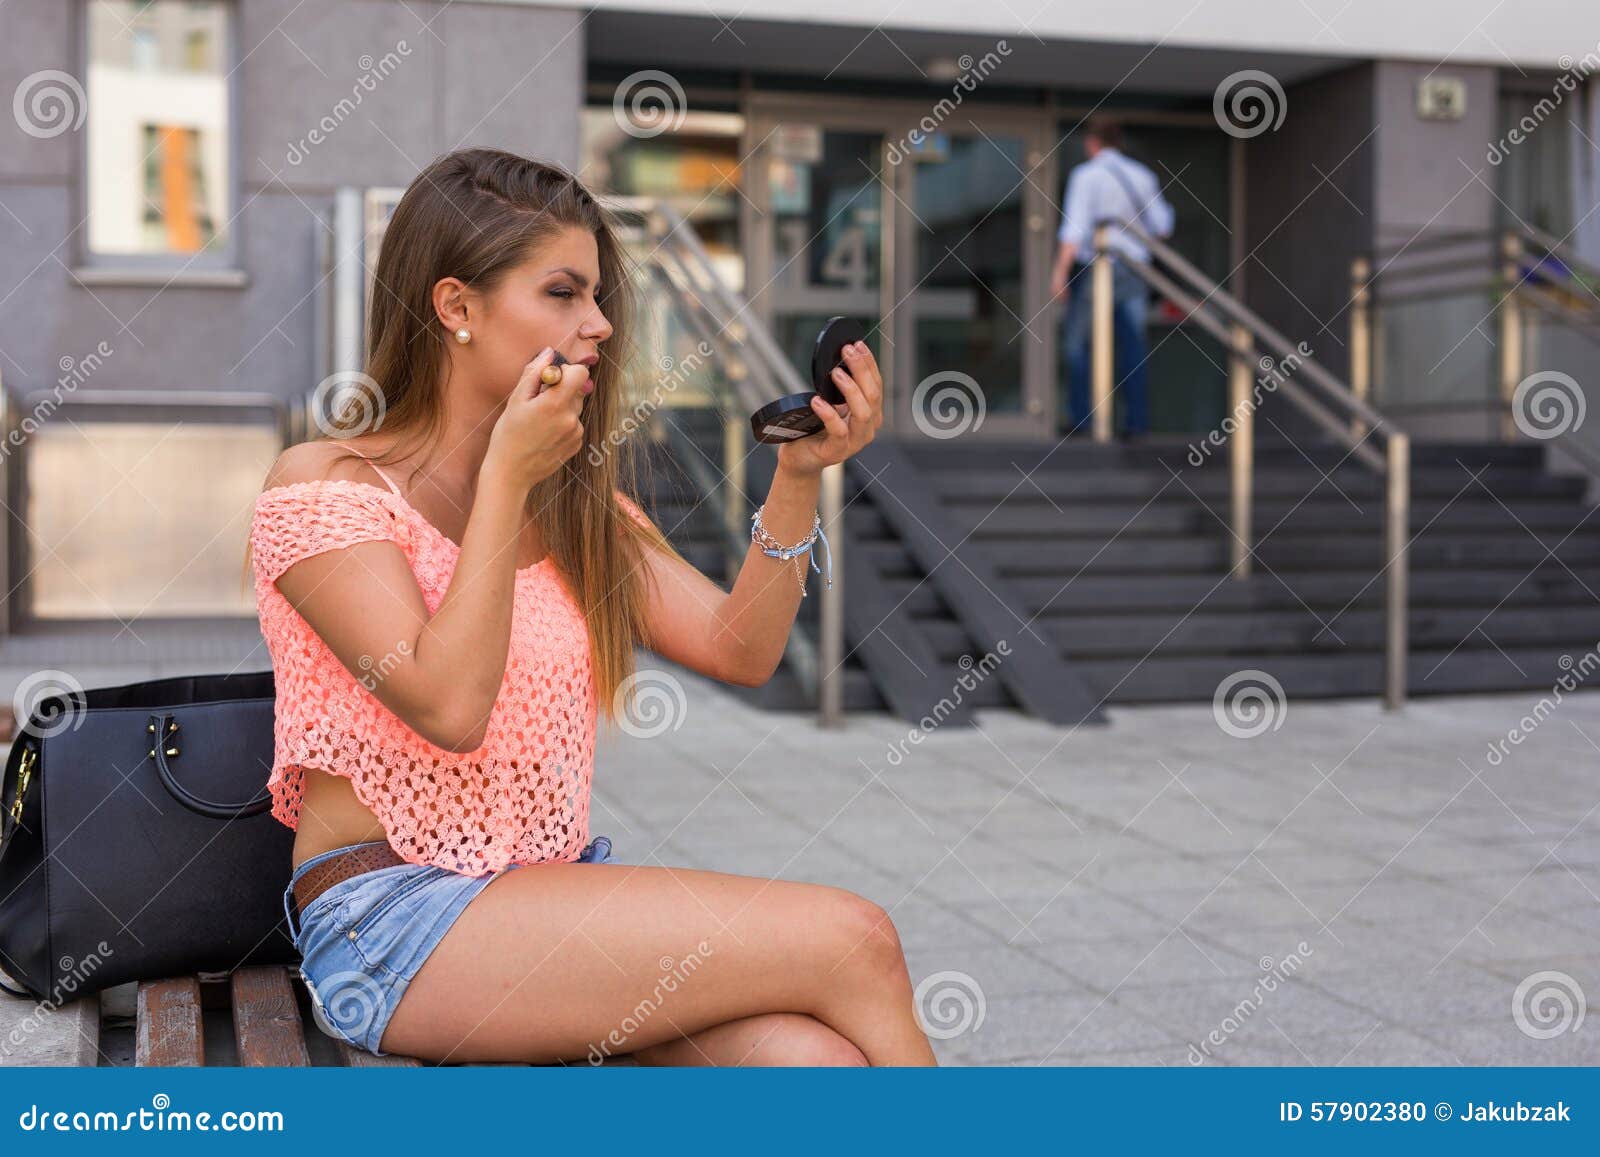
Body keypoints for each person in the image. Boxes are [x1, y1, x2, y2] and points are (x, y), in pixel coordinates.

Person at [246, 147, 935, 1067]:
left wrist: (798, 476)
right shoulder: (324, 490)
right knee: (854, 939)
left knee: (810, 1063)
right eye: (564, 293)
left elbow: (741, 649)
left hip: (544, 893)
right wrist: (504, 479)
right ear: (456, 307)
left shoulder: (577, 509)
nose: (601, 324)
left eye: (599, 296)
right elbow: (448, 705)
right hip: (390, 920)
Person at [1049, 116, 1176, 440]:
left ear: (1092, 144)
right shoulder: (1141, 175)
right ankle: (1136, 423)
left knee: (1078, 343)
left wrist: (1060, 272)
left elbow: (1075, 227)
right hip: (1135, 267)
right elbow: (1162, 225)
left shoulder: (1086, 175)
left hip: (1100, 267)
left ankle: (1083, 419)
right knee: (1132, 343)